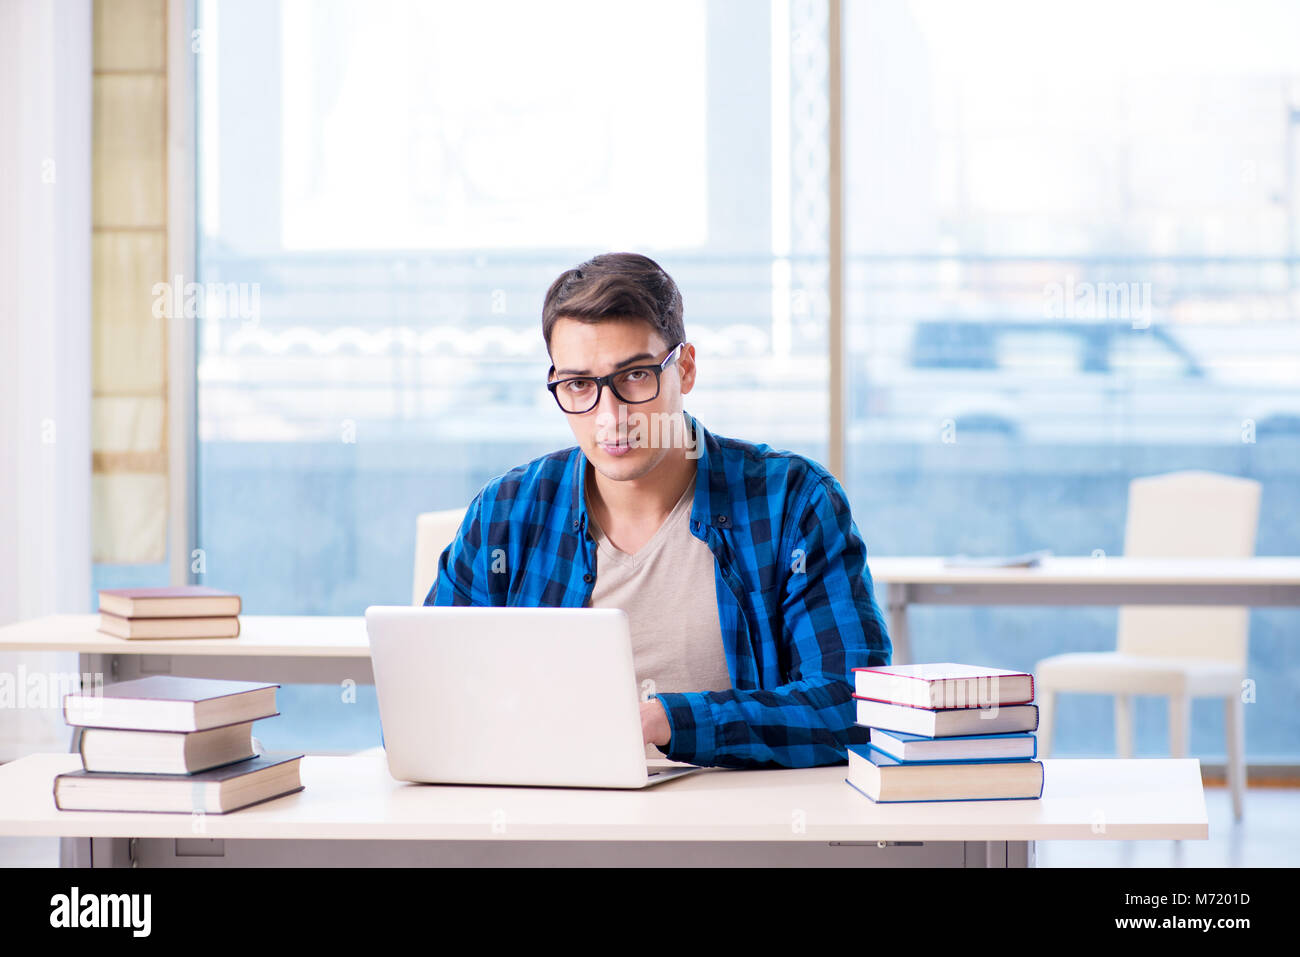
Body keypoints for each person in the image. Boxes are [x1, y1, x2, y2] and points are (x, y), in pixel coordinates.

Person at [426, 252, 890, 769]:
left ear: (685, 369)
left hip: (742, 832)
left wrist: (667, 721)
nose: (611, 417)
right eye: (579, 385)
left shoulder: (793, 502)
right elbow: (426, 704)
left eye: (636, 377)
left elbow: (851, 707)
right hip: (551, 823)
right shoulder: (506, 514)